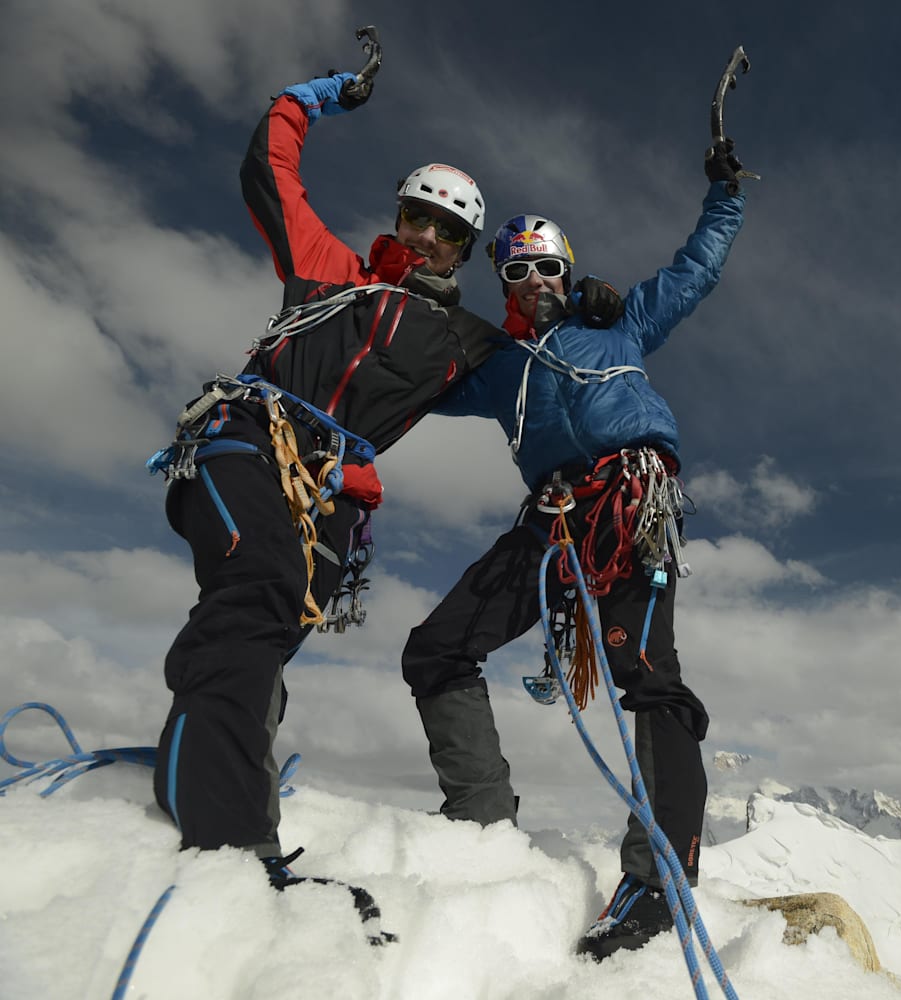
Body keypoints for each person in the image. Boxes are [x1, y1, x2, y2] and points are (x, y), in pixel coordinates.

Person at [146, 68, 619, 934]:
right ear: (397, 218)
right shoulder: (330, 270)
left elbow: (537, 358)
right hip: (249, 438)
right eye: (417, 218)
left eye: (447, 231)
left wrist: (579, 308)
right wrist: (311, 98)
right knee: (254, 595)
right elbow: (268, 170)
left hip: (328, 496)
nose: (428, 236)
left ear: (464, 251)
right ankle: (226, 845)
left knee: (270, 624)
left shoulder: (464, 342)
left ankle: (217, 777)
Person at [401, 140, 752, 958]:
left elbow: (693, 272)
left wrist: (725, 194)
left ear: (568, 272)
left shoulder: (620, 327)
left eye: (547, 269)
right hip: (549, 521)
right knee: (438, 651)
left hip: (627, 504)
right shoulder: (498, 369)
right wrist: (403, 295)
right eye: (517, 274)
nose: (534, 284)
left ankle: (659, 884)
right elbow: (412, 372)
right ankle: (480, 825)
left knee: (649, 680)